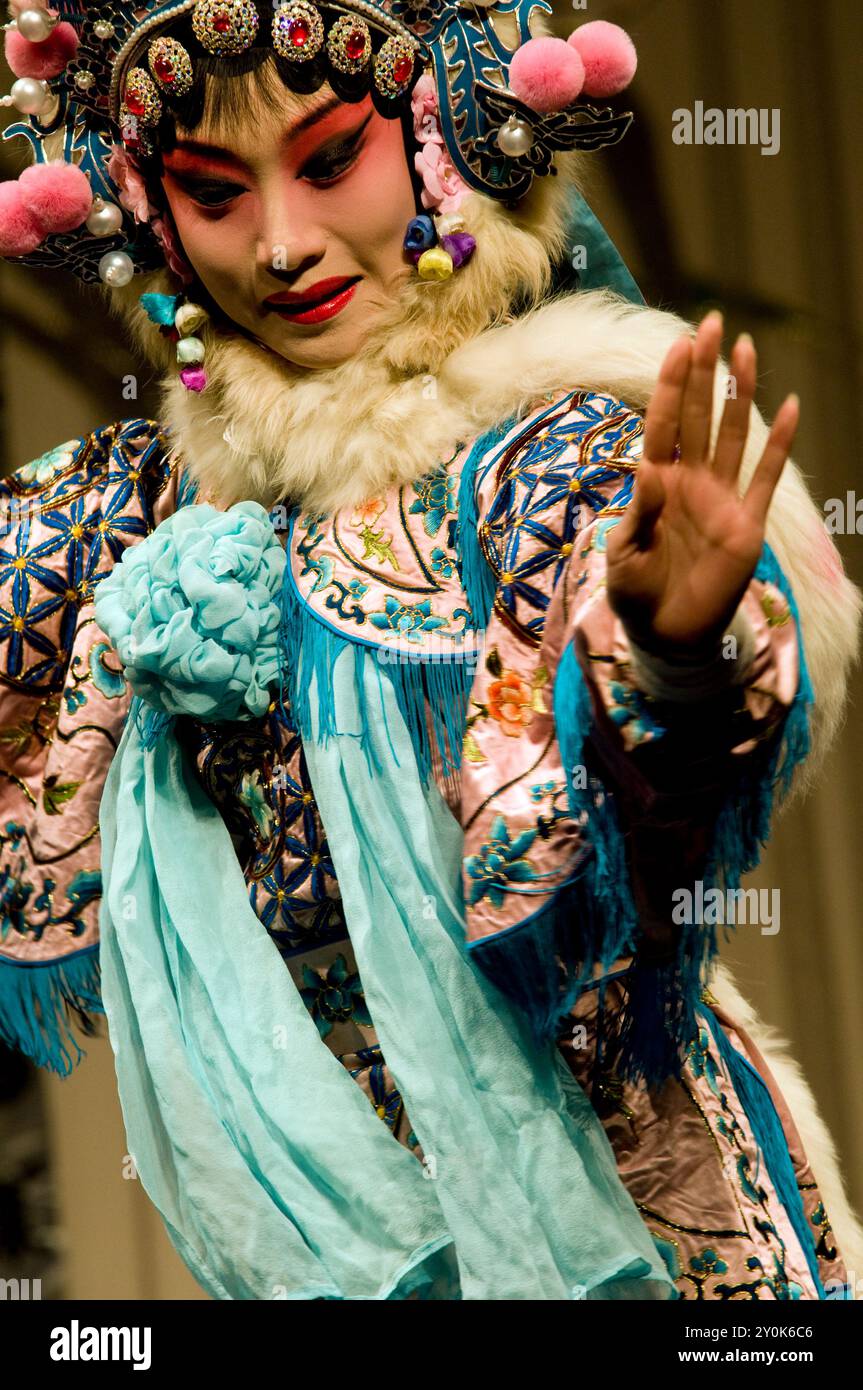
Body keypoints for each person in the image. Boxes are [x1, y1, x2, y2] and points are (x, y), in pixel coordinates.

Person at [0, 0, 860, 1301]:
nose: (284, 246)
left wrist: (669, 644)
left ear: (443, 148)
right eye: (217, 194)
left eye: (332, 160)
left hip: (624, 1214)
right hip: (340, 1238)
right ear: (154, 226)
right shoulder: (122, 515)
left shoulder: (549, 449)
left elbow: (646, 826)